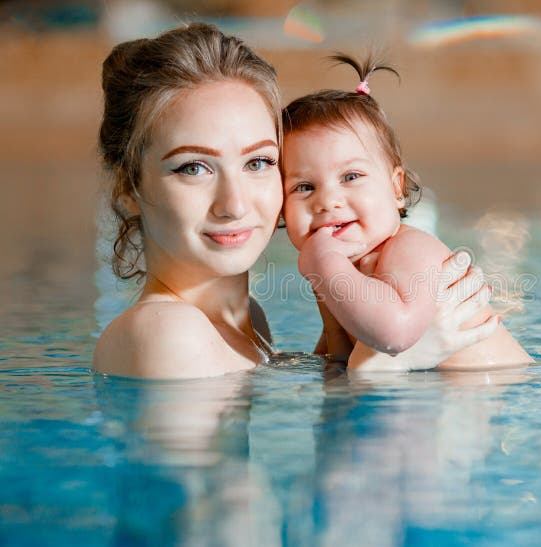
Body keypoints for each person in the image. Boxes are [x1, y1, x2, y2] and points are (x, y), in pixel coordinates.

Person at [92, 23, 497, 379]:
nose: (234, 204)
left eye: (259, 161)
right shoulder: (169, 333)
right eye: (193, 168)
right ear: (129, 189)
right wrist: (389, 364)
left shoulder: (249, 324)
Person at [281, 54, 532, 370]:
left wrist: (326, 264)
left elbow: (394, 335)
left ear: (396, 188)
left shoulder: (410, 250)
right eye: (304, 187)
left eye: (351, 177)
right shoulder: (342, 270)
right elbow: (338, 355)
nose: (328, 201)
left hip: (500, 385)